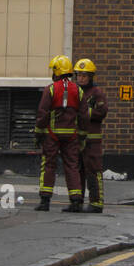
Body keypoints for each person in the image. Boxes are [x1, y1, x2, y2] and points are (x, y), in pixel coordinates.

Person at [34, 54, 84, 212]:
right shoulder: (78, 90)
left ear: (57, 71)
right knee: (72, 166)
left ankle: (45, 201)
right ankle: (76, 200)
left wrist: (38, 133)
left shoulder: (51, 89)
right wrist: (82, 136)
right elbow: (83, 115)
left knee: (48, 166)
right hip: (72, 136)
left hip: (52, 135)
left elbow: (43, 113)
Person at [75, 58, 108, 213]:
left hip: (92, 140)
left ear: (91, 77)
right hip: (76, 140)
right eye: (78, 75)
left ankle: (96, 203)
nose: (80, 78)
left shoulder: (96, 93)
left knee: (93, 171)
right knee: (77, 171)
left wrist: (85, 112)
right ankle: (77, 201)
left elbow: (101, 112)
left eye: (84, 76)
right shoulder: (75, 92)